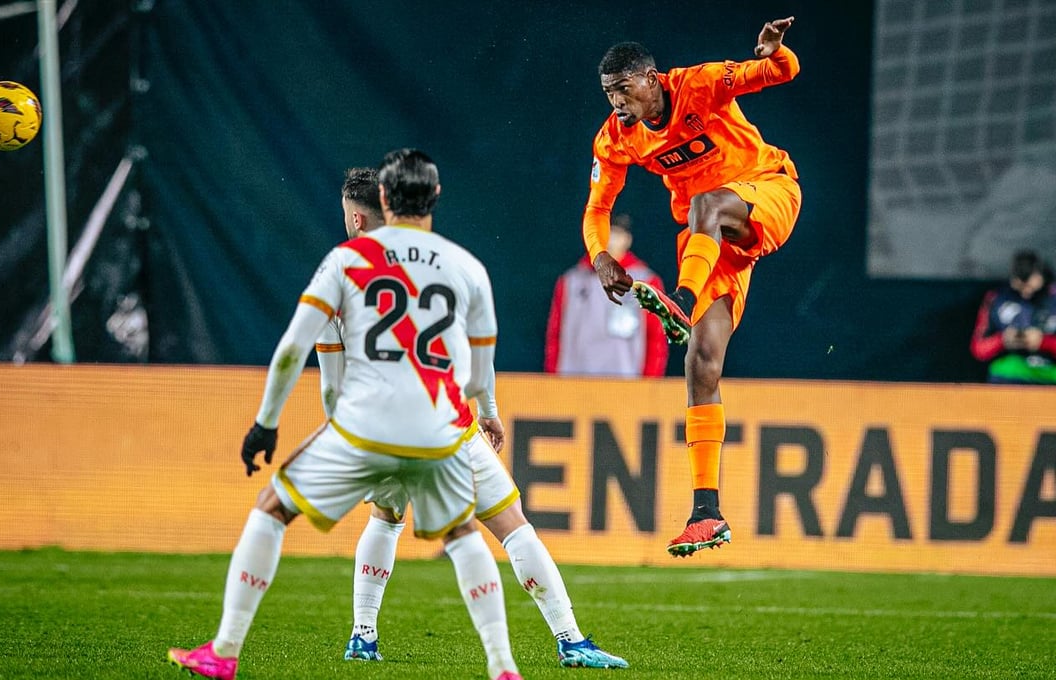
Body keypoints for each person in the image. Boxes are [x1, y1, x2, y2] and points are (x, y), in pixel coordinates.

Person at [167, 150, 523, 680]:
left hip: (364, 423)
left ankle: (224, 651)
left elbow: (293, 347)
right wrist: (485, 412)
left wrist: (266, 421)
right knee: (463, 534)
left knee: (271, 509)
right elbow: (478, 371)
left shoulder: (346, 261)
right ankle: (503, 668)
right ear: (436, 197)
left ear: (382, 199)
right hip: (437, 425)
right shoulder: (467, 267)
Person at [326, 168, 628, 668]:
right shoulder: (438, 266)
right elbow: (470, 354)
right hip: (444, 422)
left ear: (357, 219)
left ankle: (363, 635)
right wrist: (489, 411)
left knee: (385, 517)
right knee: (513, 527)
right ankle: (571, 640)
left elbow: (332, 379)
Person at [582, 17, 802, 557]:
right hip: (710, 241)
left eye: (624, 88)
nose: (616, 101)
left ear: (651, 79)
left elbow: (781, 72)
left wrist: (774, 50)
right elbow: (598, 208)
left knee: (706, 202)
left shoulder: (700, 84)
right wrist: (601, 255)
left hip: (765, 193)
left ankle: (679, 302)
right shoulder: (616, 138)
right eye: (609, 92)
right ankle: (708, 512)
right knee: (701, 362)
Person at [545, 213, 668, 377]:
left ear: (627, 239)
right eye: (604, 232)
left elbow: (656, 337)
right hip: (573, 382)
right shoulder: (571, 281)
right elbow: (555, 334)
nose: (610, 239)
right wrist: (553, 379)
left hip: (626, 384)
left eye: (616, 234)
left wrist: (649, 385)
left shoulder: (646, 282)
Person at [970, 250, 1056, 384]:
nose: (1026, 292)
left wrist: (1043, 342)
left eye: (1030, 286)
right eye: (1021, 287)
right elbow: (979, 349)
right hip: (1011, 372)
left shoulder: (1053, 298)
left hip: (1049, 371)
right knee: (1002, 369)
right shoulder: (997, 299)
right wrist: (1003, 340)